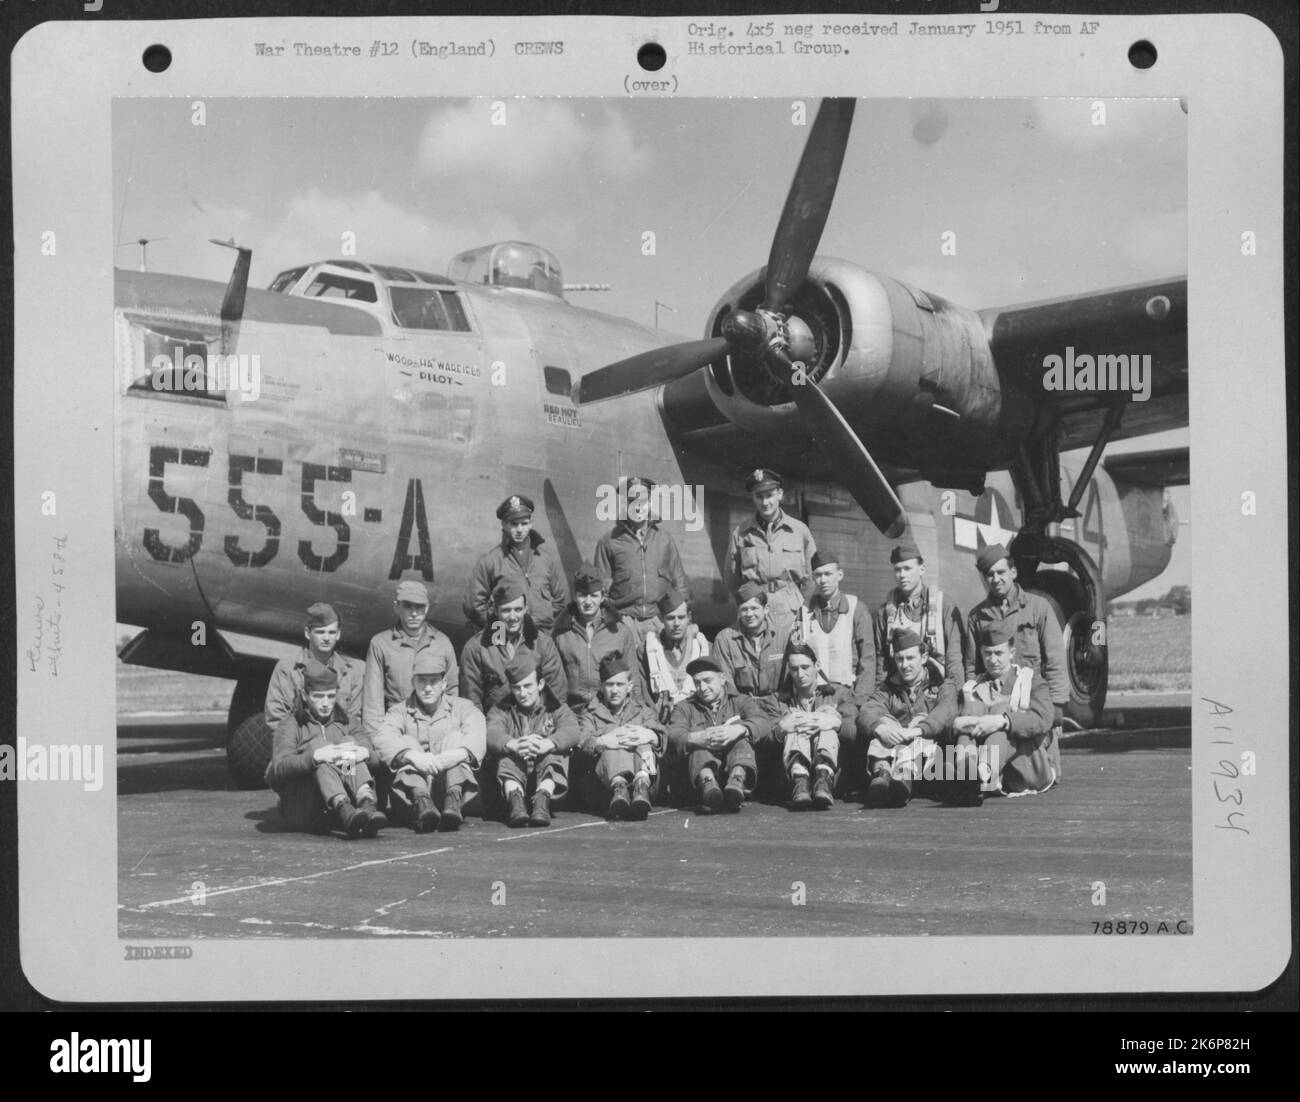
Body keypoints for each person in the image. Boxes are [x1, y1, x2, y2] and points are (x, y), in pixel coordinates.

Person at [964, 543, 1068, 781]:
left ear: (1013, 572)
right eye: (990, 575)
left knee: (1041, 767)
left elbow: (1055, 660)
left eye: (1001, 572)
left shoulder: (1038, 608)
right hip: (996, 701)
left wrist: (1057, 707)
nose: (996, 579)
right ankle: (975, 775)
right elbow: (972, 666)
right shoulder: (976, 617)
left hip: (1031, 701)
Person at [267, 661, 386, 838]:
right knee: (319, 748)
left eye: (330, 696)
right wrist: (315, 757)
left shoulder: (347, 721)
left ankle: (366, 802)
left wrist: (365, 754)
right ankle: (341, 804)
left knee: (348, 744)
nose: (325, 703)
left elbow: (376, 759)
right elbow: (278, 768)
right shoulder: (291, 725)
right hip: (305, 805)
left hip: (352, 811)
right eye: (318, 696)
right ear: (305, 695)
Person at [372, 650, 486, 833]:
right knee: (407, 742)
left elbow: (478, 732)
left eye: (433, 681)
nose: (427, 688)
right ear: (413, 683)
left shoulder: (462, 707)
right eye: (421, 681)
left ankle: (453, 799)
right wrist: (413, 756)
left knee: (455, 738)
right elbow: (382, 738)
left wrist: (456, 755)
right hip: (413, 795)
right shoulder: (399, 711)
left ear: (444, 684)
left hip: (453, 790)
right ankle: (423, 801)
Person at [952, 623, 1057, 801]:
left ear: (1012, 653)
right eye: (987, 653)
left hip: (1027, 766)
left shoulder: (1030, 681)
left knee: (1001, 714)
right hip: (995, 772)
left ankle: (982, 775)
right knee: (970, 715)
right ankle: (966, 776)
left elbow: (1043, 719)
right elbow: (951, 720)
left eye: (998, 653)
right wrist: (956, 724)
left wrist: (1003, 721)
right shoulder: (972, 687)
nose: (992, 660)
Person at [856, 628, 959, 809]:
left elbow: (946, 711)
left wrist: (917, 730)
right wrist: (882, 729)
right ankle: (882, 775)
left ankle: (904, 776)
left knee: (921, 719)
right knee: (884, 722)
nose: (904, 665)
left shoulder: (942, 685)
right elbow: (866, 712)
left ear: (924, 657)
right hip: (893, 755)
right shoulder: (887, 689)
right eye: (899, 659)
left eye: (910, 658)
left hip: (930, 765)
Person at [485, 655, 581, 828]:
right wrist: (513, 744)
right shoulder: (502, 708)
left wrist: (548, 743)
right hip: (514, 777)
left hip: (546, 780)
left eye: (528, 686)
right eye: (517, 688)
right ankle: (516, 801)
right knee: (506, 756)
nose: (523, 693)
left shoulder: (556, 707)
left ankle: (542, 800)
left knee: (555, 753)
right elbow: (491, 731)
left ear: (541, 684)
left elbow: (572, 730)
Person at [666, 657, 770, 814]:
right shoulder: (684, 707)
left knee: (740, 736)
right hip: (699, 779)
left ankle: (737, 780)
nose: (702, 687)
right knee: (696, 744)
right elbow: (673, 732)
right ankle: (709, 786)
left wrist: (740, 729)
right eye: (697, 683)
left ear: (722, 679)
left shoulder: (741, 701)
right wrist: (698, 738)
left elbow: (763, 722)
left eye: (708, 680)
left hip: (735, 766)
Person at [593, 475, 690, 641]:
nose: (638, 506)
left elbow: (679, 583)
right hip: (624, 624)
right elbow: (600, 590)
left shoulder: (664, 539)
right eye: (632, 501)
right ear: (625, 503)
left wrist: (687, 620)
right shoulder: (609, 542)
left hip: (659, 622)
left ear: (650, 503)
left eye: (643, 501)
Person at [362, 580, 459, 739]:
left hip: (437, 732)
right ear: (396, 607)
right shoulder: (380, 644)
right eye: (407, 606)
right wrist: (379, 742)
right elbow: (373, 704)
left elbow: (452, 694)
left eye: (419, 607)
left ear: (427, 608)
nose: (414, 613)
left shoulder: (443, 643)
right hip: (399, 731)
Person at [576, 652, 665, 820]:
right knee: (610, 736)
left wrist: (650, 735)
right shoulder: (590, 714)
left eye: (620, 684)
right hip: (605, 790)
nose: (615, 690)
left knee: (641, 735)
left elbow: (662, 736)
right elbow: (581, 743)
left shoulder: (643, 710)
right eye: (610, 685)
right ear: (601, 686)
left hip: (646, 782)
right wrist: (603, 741)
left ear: (629, 686)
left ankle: (640, 785)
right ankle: (620, 786)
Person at [726, 468, 816, 634]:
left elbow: (812, 576)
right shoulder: (741, 533)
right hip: (756, 613)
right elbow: (732, 579)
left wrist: (804, 607)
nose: (765, 502)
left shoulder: (799, 531)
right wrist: (748, 605)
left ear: (780, 494)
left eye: (769, 495)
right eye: (759, 496)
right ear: (753, 498)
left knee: (793, 656)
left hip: (792, 614)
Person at [463, 494, 569, 633]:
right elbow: (473, 606)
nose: (519, 529)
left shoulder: (545, 559)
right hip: (507, 639)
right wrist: (500, 627)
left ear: (530, 524)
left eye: (524, 523)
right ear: (504, 524)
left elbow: (561, 599)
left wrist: (542, 618)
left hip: (540, 638)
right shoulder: (490, 562)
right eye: (514, 523)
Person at [459, 579, 566, 714]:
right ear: (495, 611)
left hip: (536, 724)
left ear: (526, 609)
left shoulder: (543, 644)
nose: (513, 617)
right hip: (494, 726)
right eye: (506, 610)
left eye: (518, 609)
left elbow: (557, 694)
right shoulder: (476, 648)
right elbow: (471, 703)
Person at [772, 642, 856, 811]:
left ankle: (823, 779)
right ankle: (800, 780)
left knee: (827, 721)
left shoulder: (839, 693)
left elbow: (854, 731)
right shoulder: (778, 699)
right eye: (794, 669)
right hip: (789, 778)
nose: (800, 674)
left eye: (805, 667)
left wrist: (835, 722)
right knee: (795, 722)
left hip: (834, 774)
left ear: (817, 665)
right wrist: (781, 729)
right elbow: (764, 738)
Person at [873, 542, 966, 687]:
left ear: (922, 569)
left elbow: (954, 658)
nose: (902, 575)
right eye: (897, 570)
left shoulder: (944, 605)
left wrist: (955, 696)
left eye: (908, 568)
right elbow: (882, 662)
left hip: (936, 688)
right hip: (899, 692)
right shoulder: (886, 612)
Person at [550, 563, 640, 713]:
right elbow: (554, 681)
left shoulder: (620, 632)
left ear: (602, 597)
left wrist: (634, 714)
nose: (588, 602)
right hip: (574, 712)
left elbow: (633, 679)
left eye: (594, 595)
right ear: (575, 596)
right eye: (582, 595)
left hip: (609, 711)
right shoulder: (561, 633)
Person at [264, 602, 365, 730]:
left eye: (332, 632)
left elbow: (354, 720)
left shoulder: (352, 671)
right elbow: (277, 720)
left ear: (338, 634)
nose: (327, 638)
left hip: (339, 744)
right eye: (320, 632)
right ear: (307, 633)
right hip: (300, 745)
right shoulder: (288, 669)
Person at [796, 549, 875, 696]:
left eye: (828, 574)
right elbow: (796, 656)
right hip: (814, 693)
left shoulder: (857, 608)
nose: (823, 580)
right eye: (818, 575)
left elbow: (868, 659)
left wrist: (860, 699)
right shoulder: (803, 612)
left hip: (847, 693)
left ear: (840, 575)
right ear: (813, 578)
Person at [711, 580, 792, 714]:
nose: (749, 614)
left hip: (778, 708)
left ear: (766, 609)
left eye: (754, 608)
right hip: (742, 711)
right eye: (744, 609)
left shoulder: (783, 637)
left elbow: (789, 682)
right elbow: (726, 685)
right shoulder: (725, 640)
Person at [636, 588, 710, 723]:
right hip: (660, 720)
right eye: (670, 618)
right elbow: (644, 694)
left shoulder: (703, 647)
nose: (676, 624)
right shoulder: (647, 650)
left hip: (697, 720)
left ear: (689, 617)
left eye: (681, 617)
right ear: (661, 619)